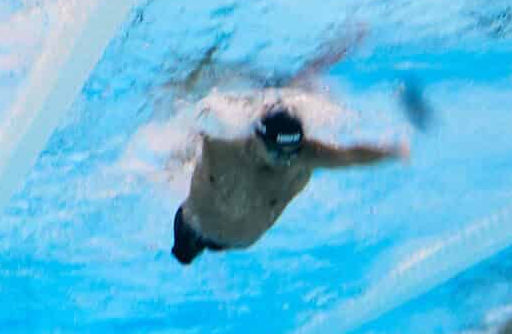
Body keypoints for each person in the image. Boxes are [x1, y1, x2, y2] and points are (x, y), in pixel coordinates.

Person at [171, 104, 408, 265]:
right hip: (195, 227)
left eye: (291, 151)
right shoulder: (222, 145)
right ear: (257, 138)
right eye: (276, 151)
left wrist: (395, 152)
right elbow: (188, 116)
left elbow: (351, 156)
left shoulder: (305, 157)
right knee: (182, 258)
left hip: (240, 240)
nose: (284, 159)